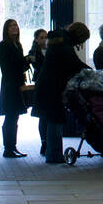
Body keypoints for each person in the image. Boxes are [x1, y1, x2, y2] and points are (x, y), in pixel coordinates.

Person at [32, 21, 90, 164]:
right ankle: (54, 156)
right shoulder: (63, 42)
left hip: (47, 85)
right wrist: (90, 71)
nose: (81, 43)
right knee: (55, 119)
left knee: (51, 119)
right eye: (82, 40)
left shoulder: (60, 39)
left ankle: (50, 152)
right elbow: (73, 63)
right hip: (52, 87)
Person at [0, 18, 31, 158]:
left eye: (16, 25)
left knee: (14, 116)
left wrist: (26, 61)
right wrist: (26, 60)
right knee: (10, 116)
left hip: (17, 83)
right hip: (10, 85)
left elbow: (21, 65)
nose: (15, 28)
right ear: (6, 29)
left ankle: (12, 146)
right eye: (11, 26)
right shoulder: (4, 45)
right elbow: (10, 66)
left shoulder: (17, 44)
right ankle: (8, 147)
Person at [27, 28, 48, 153]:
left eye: (46, 37)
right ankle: (44, 142)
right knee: (43, 115)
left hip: (50, 84)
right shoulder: (34, 52)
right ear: (36, 39)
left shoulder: (50, 50)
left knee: (47, 115)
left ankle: (47, 141)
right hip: (40, 84)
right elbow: (38, 66)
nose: (44, 40)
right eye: (41, 37)